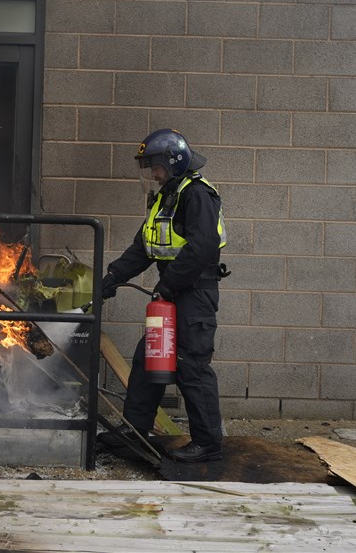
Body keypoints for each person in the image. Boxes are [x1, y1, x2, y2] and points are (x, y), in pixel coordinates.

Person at [99, 128, 228, 463]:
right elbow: (143, 248)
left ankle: (208, 444)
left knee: (190, 365)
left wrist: (169, 285)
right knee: (147, 360)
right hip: (171, 292)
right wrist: (112, 277)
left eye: (154, 166)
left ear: (173, 161)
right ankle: (135, 429)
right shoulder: (165, 198)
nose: (152, 174)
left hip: (194, 293)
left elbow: (202, 247)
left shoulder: (196, 195)